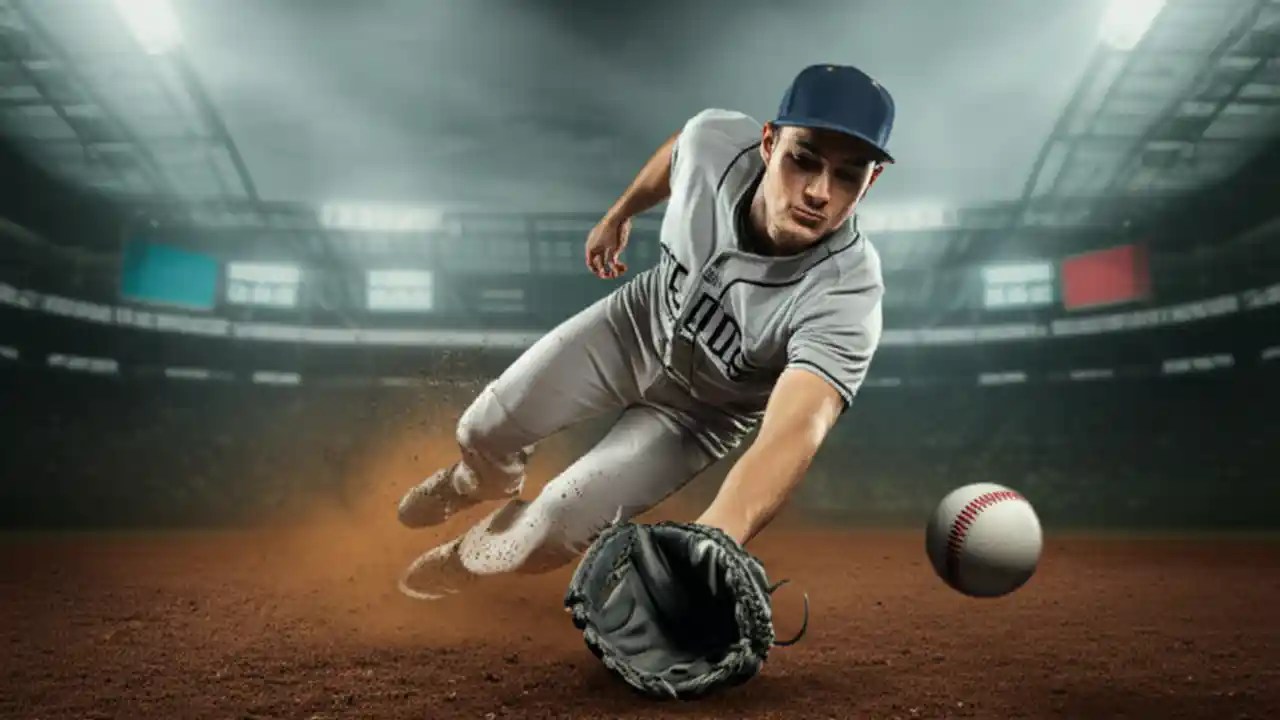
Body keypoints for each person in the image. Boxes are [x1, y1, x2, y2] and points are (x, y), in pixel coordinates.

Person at [395, 63, 894, 600]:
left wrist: (714, 535)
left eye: (848, 175)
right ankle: (478, 483)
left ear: (871, 181)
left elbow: (795, 430)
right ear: (768, 143)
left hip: (698, 417)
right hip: (633, 327)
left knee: (550, 531)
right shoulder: (716, 146)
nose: (820, 191)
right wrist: (620, 212)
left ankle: (468, 558)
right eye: (805, 159)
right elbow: (679, 152)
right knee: (483, 429)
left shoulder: (847, 292)